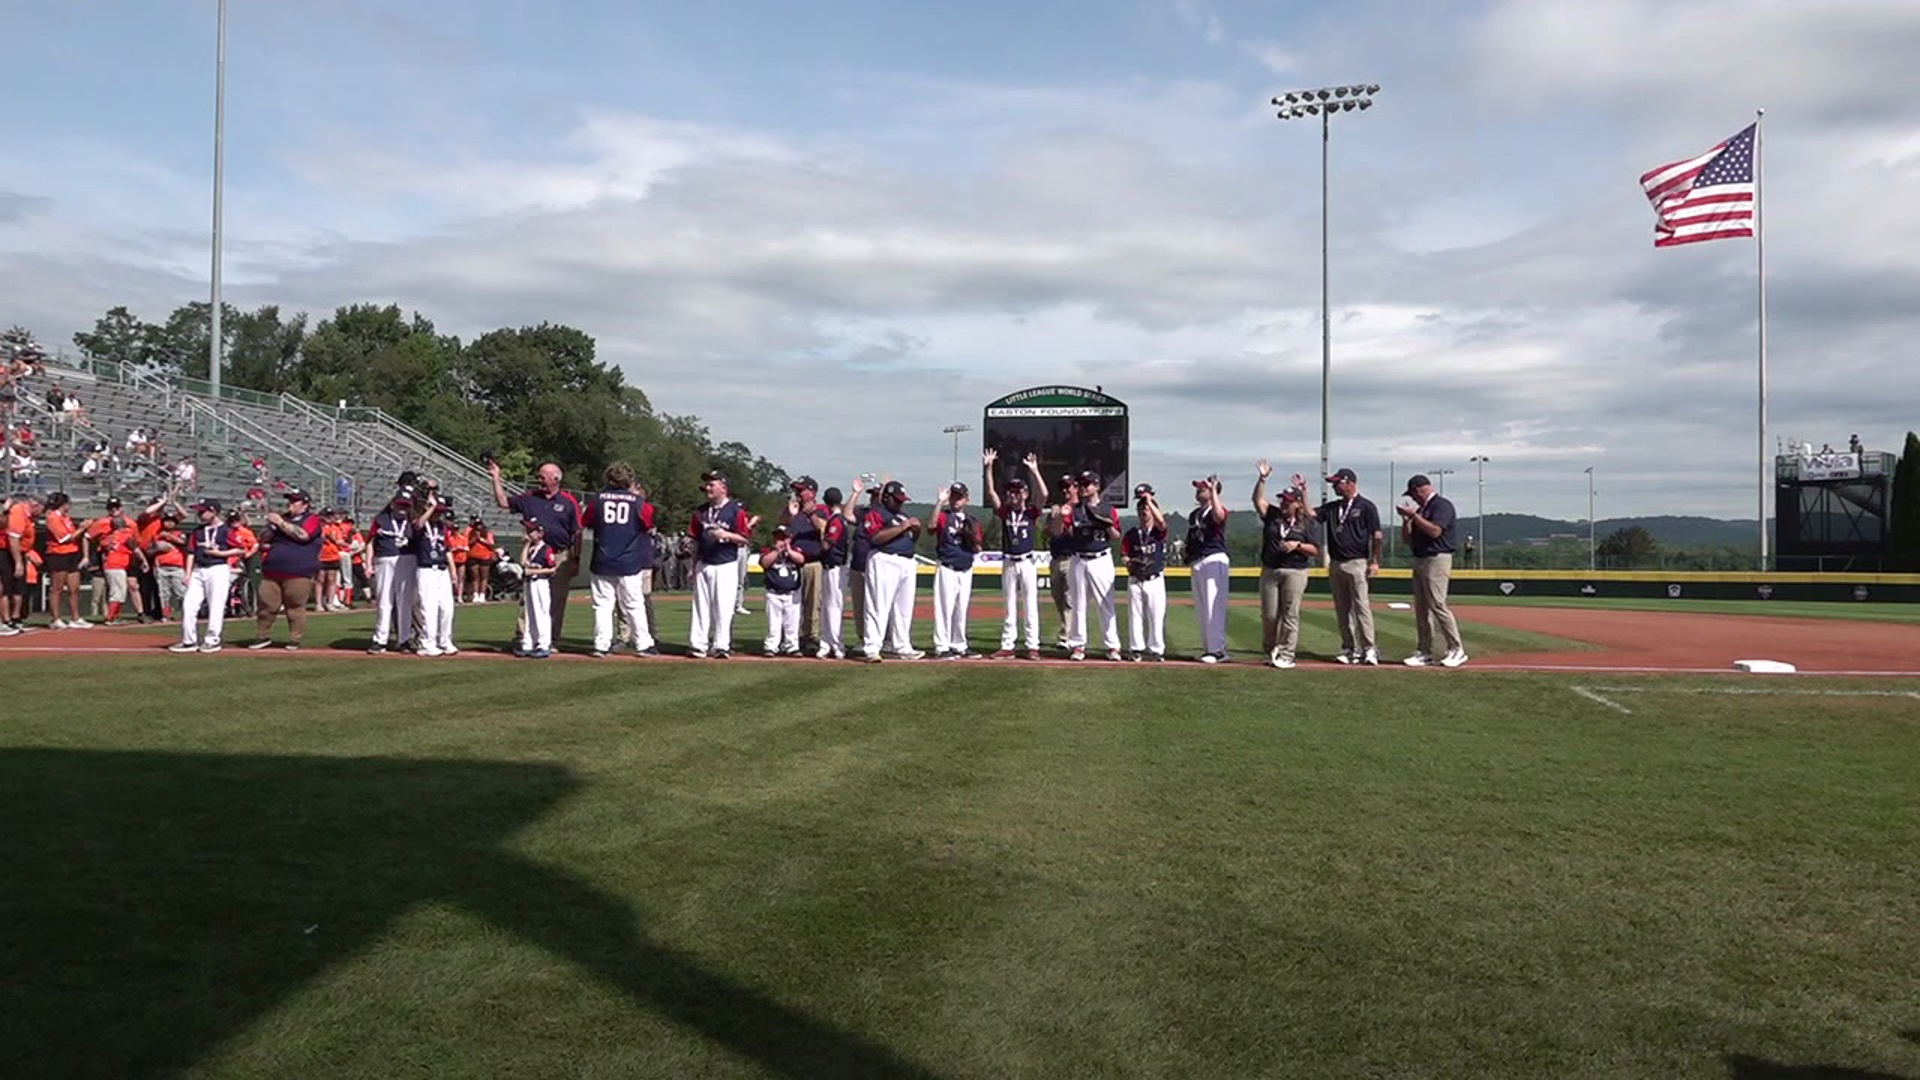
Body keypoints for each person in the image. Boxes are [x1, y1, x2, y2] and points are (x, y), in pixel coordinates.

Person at [489, 459, 584, 645]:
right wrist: (496, 478)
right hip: (535, 554)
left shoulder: (568, 502)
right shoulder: (529, 498)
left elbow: (577, 532)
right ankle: (523, 636)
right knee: (529, 597)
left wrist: (576, 557)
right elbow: (503, 502)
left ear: (555, 478)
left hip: (560, 555)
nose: (539, 480)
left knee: (556, 600)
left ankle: (550, 639)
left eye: (543, 477)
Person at [585, 461, 656, 658]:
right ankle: (643, 644)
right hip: (629, 560)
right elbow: (647, 524)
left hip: (602, 558)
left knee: (602, 605)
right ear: (630, 480)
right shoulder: (639, 503)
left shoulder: (597, 500)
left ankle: (601, 644)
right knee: (634, 603)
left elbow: (587, 522)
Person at [1253, 463, 1321, 669]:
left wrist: (1297, 545)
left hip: (1295, 571)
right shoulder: (1273, 515)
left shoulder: (1307, 523)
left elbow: (1315, 550)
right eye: (1283, 500)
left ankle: (1287, 653)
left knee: (1290, 614)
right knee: (1270, 615)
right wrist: (1262, 479)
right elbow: (1257, 501)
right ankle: (1269, 649)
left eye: (1288, 501)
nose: (1284, 504)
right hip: (1271, 569)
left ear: (1298, 504)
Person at [983, 450, 1049, 660]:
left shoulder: (1030, 512)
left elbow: (1044, 495)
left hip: (1027, 561)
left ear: (1026, 494)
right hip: (1009, 561)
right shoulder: (1005, 512)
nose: (1013, 495)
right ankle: (1007, 645)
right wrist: (988, 467)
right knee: (1009, 604)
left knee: (1030, 604)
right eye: (1011, 492)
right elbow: (991, 493)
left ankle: (1032, 646)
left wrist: (1035, 471)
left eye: (1018, 492)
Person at [1397, 474, 1468, 667]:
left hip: (1437, 558)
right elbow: (1407, 539)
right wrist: (1406, 520)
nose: (1413, 498)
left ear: (1420, 490)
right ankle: (1424, 651)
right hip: (1420, 558)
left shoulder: (1441, 505)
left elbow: (1436, 531)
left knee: (1437, 604)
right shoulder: (1423, 509)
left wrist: (1414, 516)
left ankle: (1456, 649)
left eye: (1413, 494)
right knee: (1421, 608)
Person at [1315, 467, 1383, 665]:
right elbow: (1311, 514)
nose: (1335, 486)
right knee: (1342, 608)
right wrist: (1302, 492)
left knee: (1361, 606)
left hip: (1357, 562)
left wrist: (1375, 560)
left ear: (1349, 483)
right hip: (1336, 563)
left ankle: (1369, 648)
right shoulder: (1332, 507)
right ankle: (1349, 648)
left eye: (1338, 483)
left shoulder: (1366, 506)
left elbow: (1377, 535)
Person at [688, 470, 753, 659]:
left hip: (726, 563)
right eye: (707, 484)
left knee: (723, 607)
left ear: (723, 487)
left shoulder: (735, 511)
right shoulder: (700, 511)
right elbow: (695, 541)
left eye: (711, 484)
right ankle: (698, 644)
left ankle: (721, 645)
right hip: (704, 562)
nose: (707, 488)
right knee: (701, 606)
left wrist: (726, 535)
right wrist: (693, 566)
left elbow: (745, 539)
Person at [247, 488, 323, 651]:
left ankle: (294, 638)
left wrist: (281, 523)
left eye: (295, 501)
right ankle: (262, 636)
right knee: (267, 605)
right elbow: (263, 538)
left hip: (298, 570)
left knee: (294, 606)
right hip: (272, 569)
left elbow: (303, 535)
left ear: (305, 505)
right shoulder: (281, 519)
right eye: (290, 500)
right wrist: (272, 527)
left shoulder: (312, 519)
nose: (290, 504)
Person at [860, 480, 924, 663]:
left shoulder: (903, 515)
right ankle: (872, 648)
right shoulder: (877, 513)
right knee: (878, 605)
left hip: (906, 560)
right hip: (884, 558)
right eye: (897, 500)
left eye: (902, 500)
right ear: (886, 497)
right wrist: (902, 528)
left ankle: (902, 646)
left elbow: (912, 539)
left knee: (903, 608)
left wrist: (916, 529)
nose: (900, 503)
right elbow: (875, 537)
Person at [169, 499, 244, 653]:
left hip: (218, 568)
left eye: (203, 511)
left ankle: (212, 640)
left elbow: (240, 549)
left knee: (216, 605)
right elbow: (190, 553)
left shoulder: (226, 530)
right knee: (189, 605)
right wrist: (188, 574)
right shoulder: (198, 531)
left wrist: (221, 553)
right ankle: (189, 641)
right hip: (199, 569)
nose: (199, 514)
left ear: (213, 511)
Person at [1063, 471, 1123, 662]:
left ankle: (1112, 646)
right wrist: (1061, 517)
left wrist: (1106, 525)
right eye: (1081, 484)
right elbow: (1067, 533)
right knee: (1078, 604)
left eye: (1088, 484)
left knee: (1105, 603)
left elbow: (1116, 536)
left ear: (1097, 486)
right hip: (1079, 559)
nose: (1083, 487)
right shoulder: (1076, 509)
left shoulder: (1108, 509)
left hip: (1101, 558)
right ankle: (1078, 646)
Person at [929, 482, 983, 659]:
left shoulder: (972, 521)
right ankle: (941, 646)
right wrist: (939, 503)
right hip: (947, 566)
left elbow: (978, 548)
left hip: (965, 568)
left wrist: (972, 540)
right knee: (944, 608)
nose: (955, 500)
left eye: (959, 497)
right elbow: (931, 527)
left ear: (967, 499)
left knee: (961, 609)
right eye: (953, 496)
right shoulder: (945, 516)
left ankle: (959, 644)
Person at [1184, 474, 1230, 663]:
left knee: (1213, 605)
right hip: (1198, 560)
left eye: (1203, 488)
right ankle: (1208, 648)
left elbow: (1219, 517)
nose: (1199, 490)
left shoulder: (1216, 509)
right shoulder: (1195, 514)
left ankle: (1218, 650)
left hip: (1214, 558)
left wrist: (1213, 491)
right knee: (1202, 607)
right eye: (1199, 488)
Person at [1122, 483, 1169, 662]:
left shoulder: (1157, 532)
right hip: (1136, 578)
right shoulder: (1131, 534)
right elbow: (1124, 554)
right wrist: (1129, 563)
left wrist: (1149, 500)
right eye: (1141, 508)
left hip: (1155, 578)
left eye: (1147, 508)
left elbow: (1162, 522)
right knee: (1135, 615)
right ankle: (1136, 649)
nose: (1144, 511)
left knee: (1156, 616)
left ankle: (1157, 649)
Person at [366, 488, 416, 654]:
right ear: (393, 504)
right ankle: (380, 639)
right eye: (400, 505)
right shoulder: (381, 519)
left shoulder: (412, 521)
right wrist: (368, 563)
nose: (403, 509)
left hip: (406, 559)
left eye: (406, 506)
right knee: (384, 600)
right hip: (384, 559)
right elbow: (370, 542)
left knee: (405, 602)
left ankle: (404, 640)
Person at [782, 476, 826, 656]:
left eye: (801, 490)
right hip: (791, 562)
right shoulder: (794, 510)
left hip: (812, 561)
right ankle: (790, 638)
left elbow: (824, 529)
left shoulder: (821, 510)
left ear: (812, 492)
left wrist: (811, 515)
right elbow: (781, 526)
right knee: (790, 604)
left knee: (812, 603)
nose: (798, 493)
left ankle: (811, 637)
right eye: (797, 490)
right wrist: (789, 514)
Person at [410, 491, 458, 656]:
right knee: (428, 607)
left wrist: (453, 571)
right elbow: (418, 525)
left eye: (441, 511)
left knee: (447, 607)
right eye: (437, 511)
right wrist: (430, 508)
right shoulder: (421, 523)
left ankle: (445, 640)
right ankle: (426, 642)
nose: (439, 514)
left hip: (441, 568)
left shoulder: (441, 526)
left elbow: (447, 549)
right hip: (426, 568)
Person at [87, 498, 145, 625]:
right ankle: (111, 617)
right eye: (111, 507)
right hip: (115, 562)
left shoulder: (130, 524)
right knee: (118, 591)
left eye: (116, 507)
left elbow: (136, 543)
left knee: (126, 589)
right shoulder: (102, 523)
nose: (114, 510)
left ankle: (129, 614)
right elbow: (90, 538)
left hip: (123, 560)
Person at [41, 492, 90, 629]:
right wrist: (82, 528)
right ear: (64, 504)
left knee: (74, 588)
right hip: (58, 554)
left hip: (72, 553)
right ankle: (55, 619)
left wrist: (80, 530)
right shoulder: (52, 518)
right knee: (56, 588)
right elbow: (64, 538)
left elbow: (73, 536)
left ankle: (75, 617)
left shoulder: (65, 518)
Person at [760, 524, 806, 656]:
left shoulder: (795, 550)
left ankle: (791, 646)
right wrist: (777, 551)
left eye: (783, 537)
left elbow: (801, 559)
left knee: (792, 623)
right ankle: (771, 646)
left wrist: (789, 550)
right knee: (773, 623)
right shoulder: (768, 550)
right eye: (778, 537)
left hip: (792, 593)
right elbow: (764, 562)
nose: (780, 540)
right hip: (773, 593)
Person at [1, 492, 43, 633]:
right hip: (4, 551)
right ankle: (5, 620)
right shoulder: (16, 512)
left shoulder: (27, 516)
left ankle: (15, 619)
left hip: (19, 552)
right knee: (5, 587)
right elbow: (13, 538)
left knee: (19, 587)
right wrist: (18, 562)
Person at [517, 519, 558, 658]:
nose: (528, 533)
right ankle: (529, 643)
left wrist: (535, 572)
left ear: (540, 533)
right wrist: (527, 544)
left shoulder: (546, 549)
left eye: (531, 531)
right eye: (527, 530)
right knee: (529, 613)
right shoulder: (531, 549)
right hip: (529, 583)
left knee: (541, 613)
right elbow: (523, 562)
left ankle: (543, 643)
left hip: (540, 583)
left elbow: (552, 569)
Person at [1047, 472, 1078, 648]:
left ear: (1075, 488)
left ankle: (1066, 637)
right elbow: (1048, 532)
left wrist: (1067, 521)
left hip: (1072, 557)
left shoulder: (1079, 509)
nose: (1065, 490)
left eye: (1068, 486)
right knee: (1058, 598)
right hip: (1055, 558)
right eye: (1063, 487)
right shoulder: (1056, 508)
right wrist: (1055, 518)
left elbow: (1077, 535)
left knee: (1069, 599)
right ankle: (1069, 631)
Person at [463, 516, 496, 603]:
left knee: (484, 577)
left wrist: (481, 539)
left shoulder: (487, 533)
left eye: (480, 524)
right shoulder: (470, 532)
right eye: (477, 525)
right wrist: (474, 539)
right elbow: (466, 543)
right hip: (473, 556)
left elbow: (491, 543)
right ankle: (475, 594)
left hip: (485, 556)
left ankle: (482, 594)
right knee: (475, 576)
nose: (478, 527)